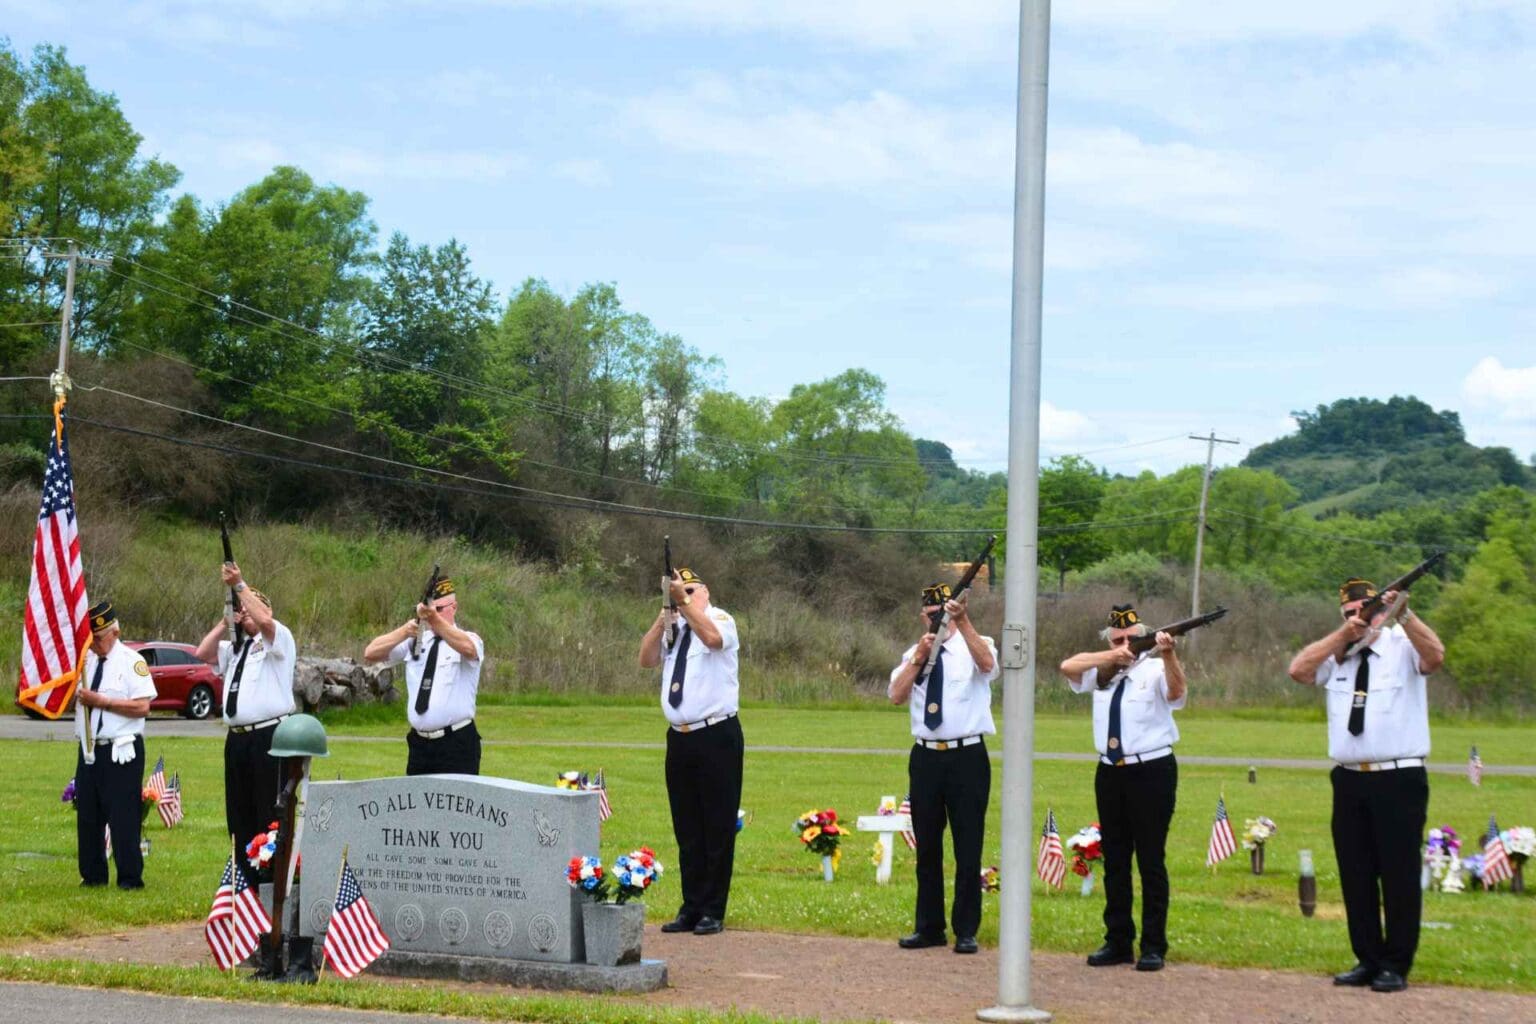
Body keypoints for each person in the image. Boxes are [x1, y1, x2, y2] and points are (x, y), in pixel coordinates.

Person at [1287, 578, 1444, 994]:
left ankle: (1396, 963)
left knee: (1398, 873)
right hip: (1350, 779)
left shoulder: (1400, 644)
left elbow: (1435, 657)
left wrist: (1403, 613)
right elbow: (1299, 670)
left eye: (1367, 610)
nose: (1360, 617)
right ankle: (1367, 958)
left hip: (1399, 777)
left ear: (1382, 610)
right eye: (1351, 612)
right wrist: (1345, 634)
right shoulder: (1338, 653)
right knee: (1355, 873)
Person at [1059, 604, 1185, 972]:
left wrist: (1168, 654)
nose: (1125, 644)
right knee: (1115, 859)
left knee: (1150, 860)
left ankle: (1153, 944)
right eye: (1118, 639)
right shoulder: (1104, 670)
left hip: (1151, 770)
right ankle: (1117, 940)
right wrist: (1111, 656)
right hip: (1110, 771)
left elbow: (1177, 695)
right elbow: (1068, 666)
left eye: (1131, 638)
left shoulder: (1154, 668)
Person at [888, 582, 999, 955]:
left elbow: (989, 665)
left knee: (968, 846)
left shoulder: (974, 643)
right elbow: (896, 695)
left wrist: (964, 623)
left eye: (944, 613)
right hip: (926, 757)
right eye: (932, 613)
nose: (938, 618)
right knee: (928, 847)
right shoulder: (914, 652)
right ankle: (929, 926)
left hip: (966, 756)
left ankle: (966, 929)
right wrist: (918, 658)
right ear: (924, 615)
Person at [638, 566, 742, 936]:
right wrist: (663, 616)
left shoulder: (719, 618)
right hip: (679, 737)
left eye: (690, 589)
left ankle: (714, 908)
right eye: (678, 590)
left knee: (716, 824)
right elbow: (646, 659)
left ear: (705, 591)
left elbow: (713, 640)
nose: (683, 595)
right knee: (687, 827)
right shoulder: (675, 628)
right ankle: (691, 906)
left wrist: (686, 604)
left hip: (716, 735)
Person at [194, 561, 296, 903]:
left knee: (269, 814)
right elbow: (203, 653)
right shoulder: (237, 649)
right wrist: (225, 623)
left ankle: (270, 887)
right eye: (241, 611)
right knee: (239, 814)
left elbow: (265, 621)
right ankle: (244, 887)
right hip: (237, 740)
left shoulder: (277, 640)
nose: (245, 614)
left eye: (248, 608)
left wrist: (240, 585)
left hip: (268, 737)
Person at [364, 576, 484, 776]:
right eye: (429, 611)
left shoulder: (468, 638)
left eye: (438, 610)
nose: (432, 617)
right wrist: (404, 631)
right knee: (416, 806)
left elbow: (469, 650)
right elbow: (370, 653)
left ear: (453, 607)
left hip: (456, 743)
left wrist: (433, 619)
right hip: (420, 745)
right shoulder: (417, 641)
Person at [73, 600, 156, 890]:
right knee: (88, 814)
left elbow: (143, 707)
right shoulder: (88, 661)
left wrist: (103, 701)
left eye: (98, 638)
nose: (94, 644)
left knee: (123, 816)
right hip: (90, 748)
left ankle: (130, 878)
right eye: (91, 639)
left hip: (121, 750)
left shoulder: (133, 662)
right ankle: (93, 875)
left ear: (115, 633)